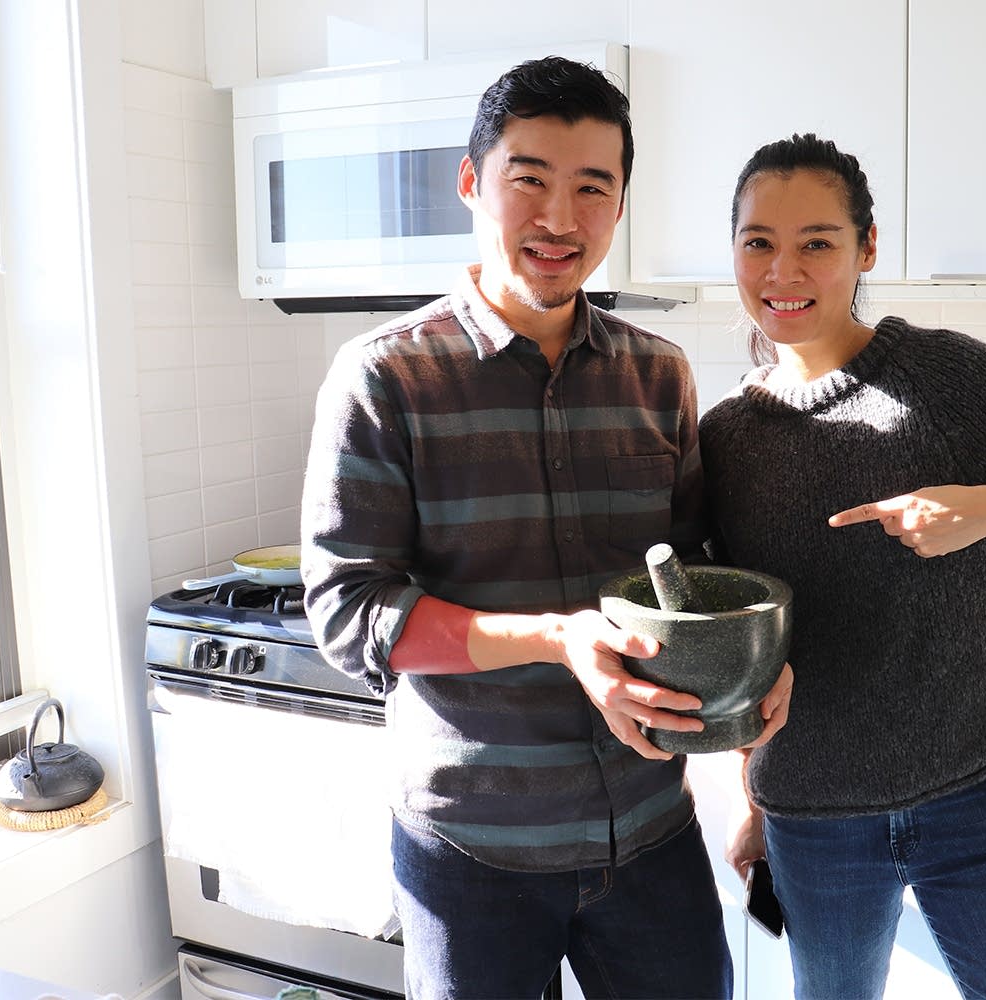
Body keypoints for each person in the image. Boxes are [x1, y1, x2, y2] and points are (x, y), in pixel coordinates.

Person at [302, 56, 787, 1000]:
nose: (561, 219)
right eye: (529, 180)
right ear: (472, 180)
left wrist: (749, 712)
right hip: (471, 847)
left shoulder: (659, 375)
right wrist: (558, 638)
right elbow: (349, 613)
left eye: (592, 188)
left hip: (649, 830)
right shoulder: (385, 378)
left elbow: (695, 582)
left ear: (620, 205)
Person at [701, 133, 986, 1000]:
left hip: (979, 800)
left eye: (817, 242)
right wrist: (746, 798)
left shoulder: (950, 380)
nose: (783, 270)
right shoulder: (724, 440)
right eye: (759, 242)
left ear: (867, 248)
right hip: (814, 819)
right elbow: (727, 652)